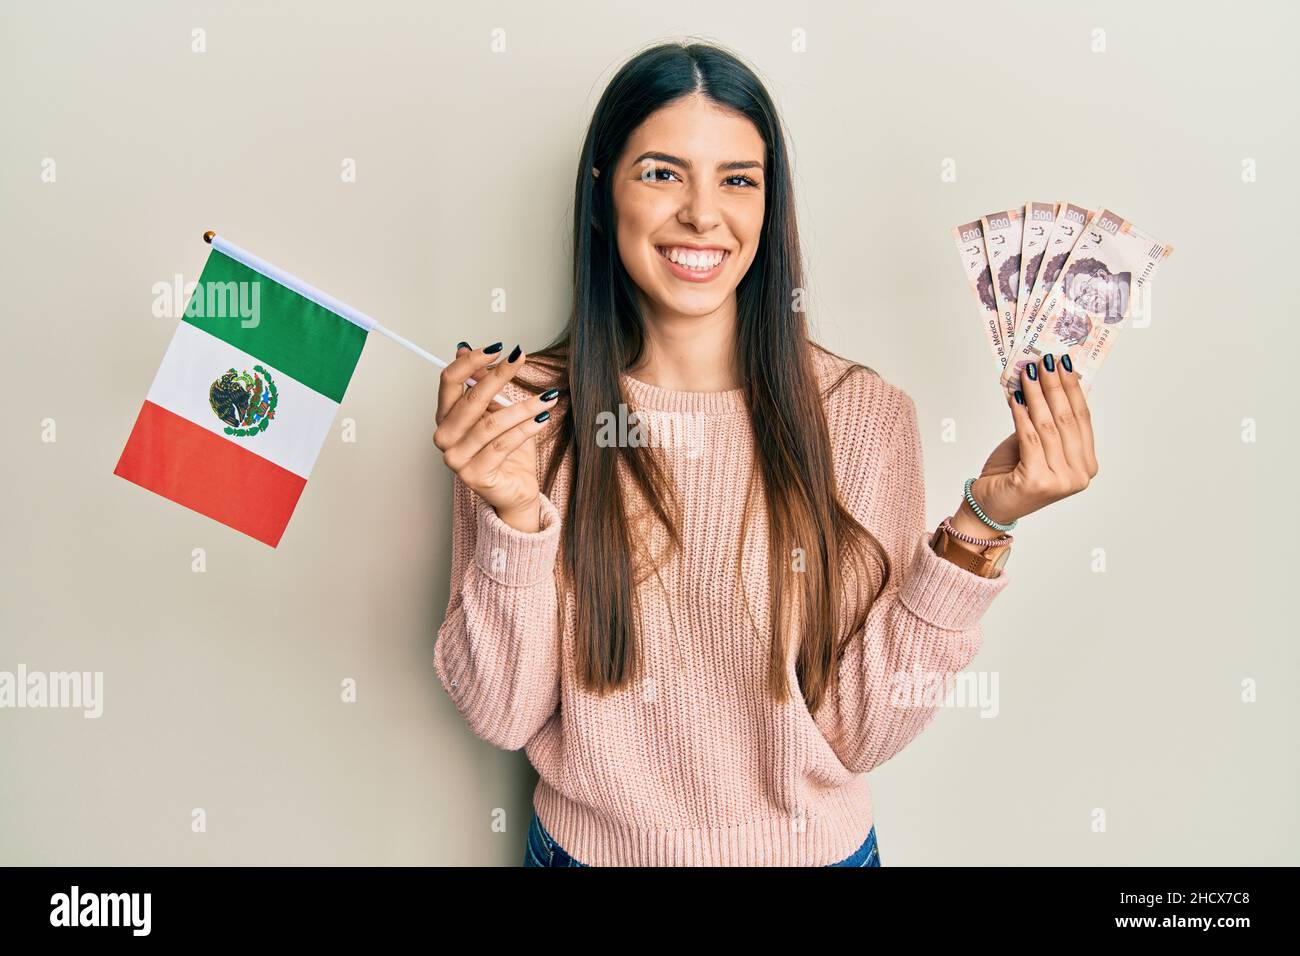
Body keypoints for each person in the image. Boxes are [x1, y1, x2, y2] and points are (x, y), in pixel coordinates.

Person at [432, 41, 1097, 867]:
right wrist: (514, 516)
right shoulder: (520, 412)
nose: (704, 215)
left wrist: (983, 522)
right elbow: (501, 713)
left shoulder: (863, 418)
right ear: (603, 197)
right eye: (663, 173)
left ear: (768, 204)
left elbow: (857, 734)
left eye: (738, 179)